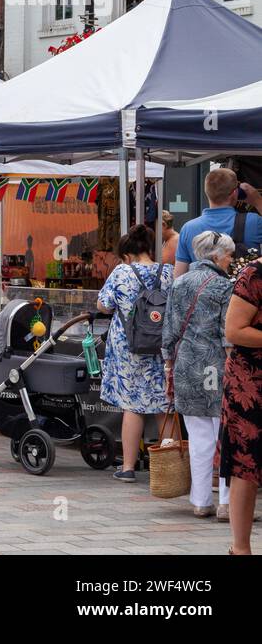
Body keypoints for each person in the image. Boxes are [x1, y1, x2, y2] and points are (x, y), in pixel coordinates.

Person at [163, 230, 238, 520]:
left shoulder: (178, 284)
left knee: (198, 437)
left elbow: (168, 332)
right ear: (217, 255)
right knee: (226, 435)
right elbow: (227, 336)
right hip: (216, 368)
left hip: (185, 367)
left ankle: (200, 500)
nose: (231, 260)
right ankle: (227, 503)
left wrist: (168, 364)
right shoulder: (223, 287)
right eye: (229, 254)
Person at [97, 224, 171, 483]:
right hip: (162, 346)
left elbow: (103, 305)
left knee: (133, 405)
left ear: (127, 254)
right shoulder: (169, 272)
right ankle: (170, 467)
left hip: (129, 346)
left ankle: (128, 467)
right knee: (165, 405)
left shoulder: (122, 272)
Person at [222, 254, 262, 554]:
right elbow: (234, 330)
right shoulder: (255, 273)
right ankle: (241, 549)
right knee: (246, 467)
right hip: (251, 384)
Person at [175, 168, 262, 278]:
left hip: (203, 293)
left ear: (207, 192)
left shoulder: (188, 228)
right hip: (241, 293)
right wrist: (257, 200)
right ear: (235, 193)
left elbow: (179, 276)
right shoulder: (254, 222)